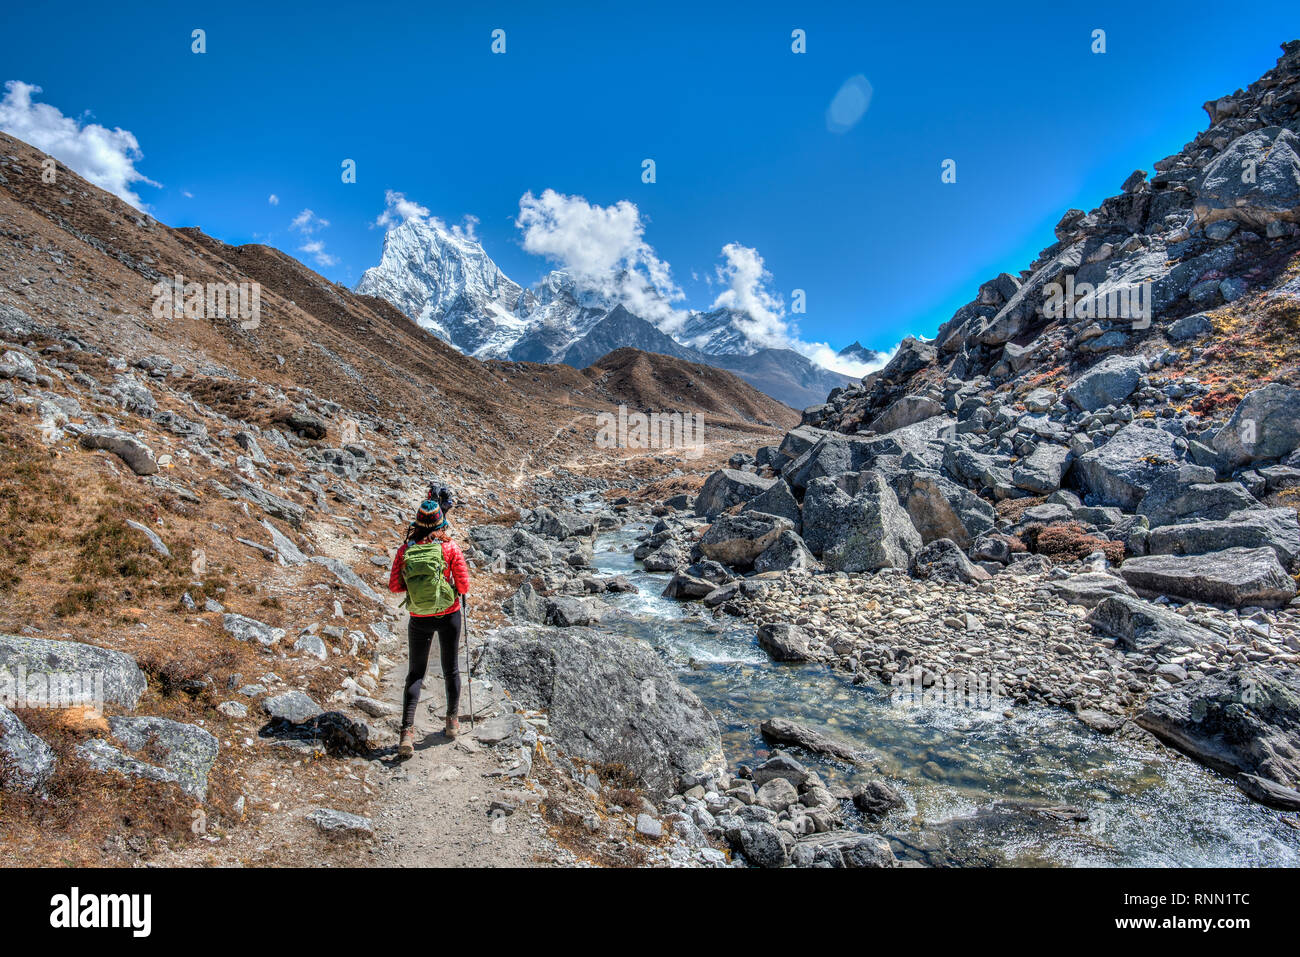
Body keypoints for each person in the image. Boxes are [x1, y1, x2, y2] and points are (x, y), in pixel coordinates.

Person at [388, 497, 471, 759]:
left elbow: (395, 586)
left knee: (415, 673)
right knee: (451, 669)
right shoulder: (450, 548)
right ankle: (452, 722)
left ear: (418, 522)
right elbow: (464, 585)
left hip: (419, 618)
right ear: (440, 522)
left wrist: (416, 586)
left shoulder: (406, 550)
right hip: (449, 615)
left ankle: (406, 733)